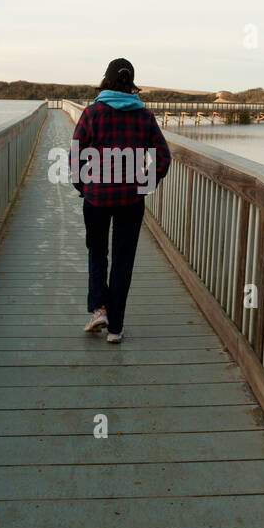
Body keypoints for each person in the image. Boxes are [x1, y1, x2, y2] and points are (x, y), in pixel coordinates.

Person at [71, 58, 171, 343]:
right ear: (131, 84)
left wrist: (83, 186)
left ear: (107, 81)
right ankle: (115, 329)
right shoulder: (144, 116)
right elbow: (163, 157)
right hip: (131, 199)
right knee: (123, 261)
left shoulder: (92, 114)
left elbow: (75, 154)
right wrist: (146, 184)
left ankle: (99, 309)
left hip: (97, 199)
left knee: (97, 252)